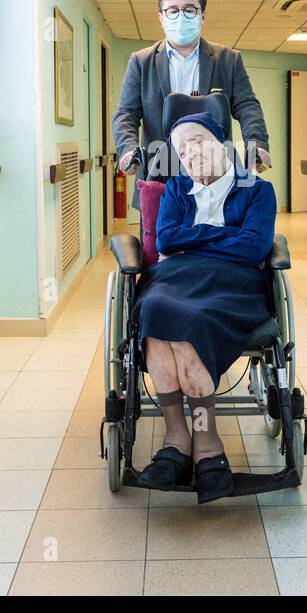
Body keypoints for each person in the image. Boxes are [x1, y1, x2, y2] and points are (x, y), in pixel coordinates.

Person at [130, 111, 277, 503]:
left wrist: (190, 238)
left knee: (189, 320)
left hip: (232, 285)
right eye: (181, 149)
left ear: (222, 143)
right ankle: (180, 437)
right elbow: (165, 237)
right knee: (155, 309)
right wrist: (222, 236)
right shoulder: (177, 189)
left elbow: (254, 247)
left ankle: (206, 441)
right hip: (173, 278)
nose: (189, 155)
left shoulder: (256, 190)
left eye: (197, 142)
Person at [112, 0, 273, 214]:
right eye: (173, 10)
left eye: (189, 10)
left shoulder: (228, 59)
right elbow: (126, 113)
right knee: (159, 245)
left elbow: (247, 106)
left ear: (202, 16)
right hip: (161, 169)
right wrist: (128, 149)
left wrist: (257, 144)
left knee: (216, 243)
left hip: (215, 170)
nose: (181, 16)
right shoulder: (141, 61)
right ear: (161, 17)